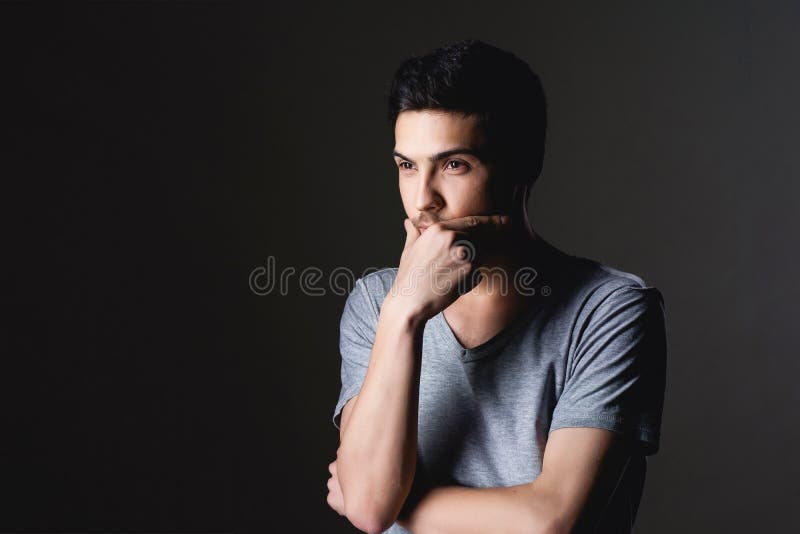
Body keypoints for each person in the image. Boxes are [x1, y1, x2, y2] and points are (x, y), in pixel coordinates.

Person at [326, 38, 668, 534]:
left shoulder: (611, 310)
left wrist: (402, 504)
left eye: (453, 165)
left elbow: (552, 521)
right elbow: (371, 506)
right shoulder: (377, 302)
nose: (422, 199)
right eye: (406, 166)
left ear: (522, 168)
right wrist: (405, 311)